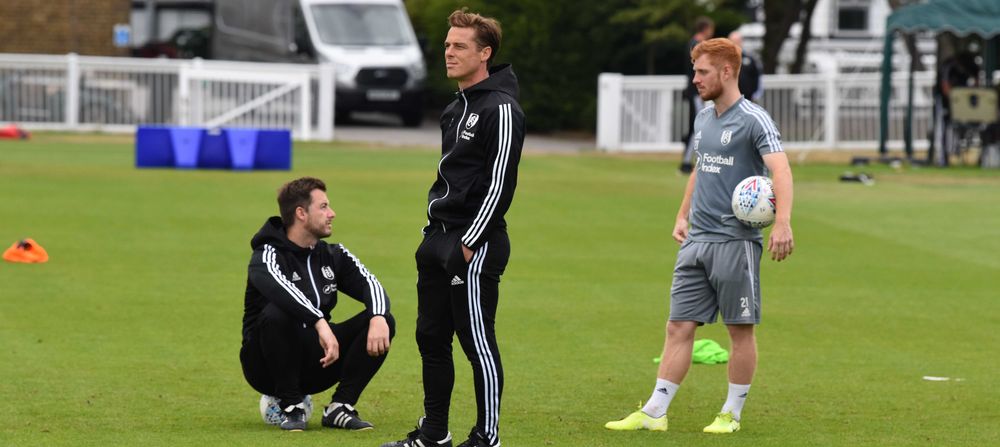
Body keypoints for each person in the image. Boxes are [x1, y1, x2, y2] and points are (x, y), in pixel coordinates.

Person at [606, 37, 794, 434]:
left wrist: (783, 222)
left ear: (726, 72)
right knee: (678, 326)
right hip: (696, 242)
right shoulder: (704, 117)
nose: (695, 78)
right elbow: (700, 167)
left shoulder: (754, 119)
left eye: (702, 71)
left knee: (739, 330)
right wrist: (681, 214)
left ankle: (732, 413)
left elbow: (781, 170)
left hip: (735, 241)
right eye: (695, 70)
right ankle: (655, 412)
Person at [382, 8, 524, 447]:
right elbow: (452, 177)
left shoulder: (501, 108)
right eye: (447, 45)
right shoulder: (455, 107)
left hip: (473, 245)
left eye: (459, 45)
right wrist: (434, 235)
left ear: (485, 53)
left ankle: (487, 437)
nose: (449, 52)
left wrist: (467, 243)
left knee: (476, 343)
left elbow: (499, 183)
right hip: (437, 239)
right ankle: (433, 434)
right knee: (430, 338)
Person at [240, 176, 394, 431]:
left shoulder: (333, 254)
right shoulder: (265, 255)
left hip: (318, 361)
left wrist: (378, 315)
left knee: (382, 320)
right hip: (264, 366)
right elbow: (285, 293)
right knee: (277, 312)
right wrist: (320, 322)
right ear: (301, 213)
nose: (331, 213)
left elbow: (371, 284)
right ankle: (291, 405)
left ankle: (340, 407)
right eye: (323, 207)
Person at [680, 16, 715, 173]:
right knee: (698, 125)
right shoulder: (698, 46)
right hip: (696, 92)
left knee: (696, 124)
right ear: (706, 29)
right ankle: (687, 162)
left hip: (693, 90)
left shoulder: (692, 43)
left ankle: (689, 160)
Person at [728, 31, 763, 103]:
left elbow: (757, 77)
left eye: (737, 41)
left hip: (748, 99)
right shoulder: (725, 60)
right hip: (730, 100)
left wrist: (756, 95)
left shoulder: (750, 59)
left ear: (741, 42)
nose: (735, 44)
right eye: (733, 41)